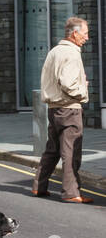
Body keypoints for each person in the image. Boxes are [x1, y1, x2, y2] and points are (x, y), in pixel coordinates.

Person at [35, 17, 93, 204]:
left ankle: (39, 186)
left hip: (54, 108)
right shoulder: (71, 53)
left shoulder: (54, 51)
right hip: (69, 109)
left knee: (52, 149)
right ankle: (70, 192)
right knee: (71, 151)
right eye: (85, 33)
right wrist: (83, 89)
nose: (87, 37)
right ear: (75, 34)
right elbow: (68, 83)